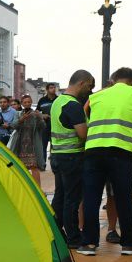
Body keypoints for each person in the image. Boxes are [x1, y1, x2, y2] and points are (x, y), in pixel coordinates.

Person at [77, 68, 132, 256]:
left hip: (93, 151)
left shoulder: (97, 96)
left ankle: (88, 244)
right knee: (123, 198)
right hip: (121, 152)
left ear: (112, 80)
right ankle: (128, 243)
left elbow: (84, 117)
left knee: (92, 198)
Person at [49, 70, 94, 247]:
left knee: (60, 196)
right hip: (72, 158)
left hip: (57, 156)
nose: (90, 91)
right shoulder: (73, 105)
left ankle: (55, 231)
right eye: (89, 86)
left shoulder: (57, 102)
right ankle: (74, 238)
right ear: (81, 83)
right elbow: (83, 134)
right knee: (72, 199)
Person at [9, 94, 46, 189]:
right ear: (21, 104)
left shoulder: (36, 114)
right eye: (25, 102)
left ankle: (38, 190)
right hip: (20, 144)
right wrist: (21, 119)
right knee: (20, 168)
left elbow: (43, 127)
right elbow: (13, 126)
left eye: (29, 102)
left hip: (32, 145)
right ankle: (23, 189)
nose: (27, 104)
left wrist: (39, 117)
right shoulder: (18, 114)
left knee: (34, 167)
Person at [37, 83, 58, 158]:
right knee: (43, 145)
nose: (53, 89)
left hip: (56, 126)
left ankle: (54, 164)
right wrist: (42, 115)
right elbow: (37, 112)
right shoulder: (42, 100)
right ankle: (43, 164)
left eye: (54, 87)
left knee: (55, 146)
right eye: (51, 87)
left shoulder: (58, 99)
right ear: (47, 90)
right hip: (44, 126)